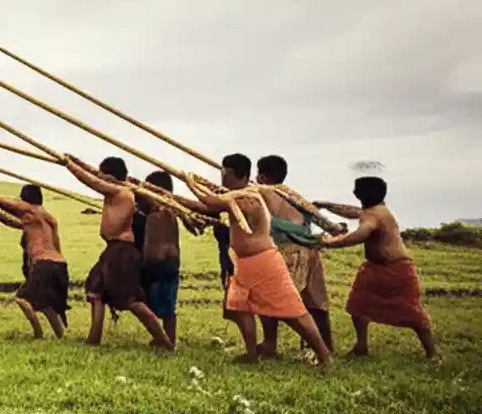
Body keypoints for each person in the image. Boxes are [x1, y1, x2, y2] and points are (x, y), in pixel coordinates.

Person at [183, 153, 331, 366]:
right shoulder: (238, 195)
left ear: (242, 176)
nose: (223, 178)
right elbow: (209, 203)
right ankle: (252, 355)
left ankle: (324, 356)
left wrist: (189, 182)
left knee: (293, 312)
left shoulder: (247, 197)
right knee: (240, 308)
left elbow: (207, 202)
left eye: (226, 174)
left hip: (264, 262)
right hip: (245, 264)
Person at [317, 176, 436, 358]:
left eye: (357, 190)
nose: (354, 192)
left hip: (397, 269)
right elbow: (352, 211)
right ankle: (361, 347)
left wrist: (329, 242)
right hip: (375, 269)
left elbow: (360, 234)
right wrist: (325, 205)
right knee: (357, 305)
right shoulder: (375, 210)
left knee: (412, 311)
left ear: (364, 193)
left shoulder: (374, 215)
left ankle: (432, 353)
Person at [64, 155, 172, 349]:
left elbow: (92, 181)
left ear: (111, 177)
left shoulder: (120, 191)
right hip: (113, 250)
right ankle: (94, 338)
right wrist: (76, 161)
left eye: (103, 174)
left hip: (123, 252)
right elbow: (93, 175)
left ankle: (164, 341)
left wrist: (69, 166)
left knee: (131, 300)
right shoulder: (117, 190)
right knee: (95, 290)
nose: (99, 177)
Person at [255, 155, 334, 357]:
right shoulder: (294, 196)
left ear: (262, 177)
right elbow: (321, 220)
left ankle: (270, 343)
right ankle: (326, 344)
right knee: (315, 301)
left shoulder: (261, 192)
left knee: (273, 298)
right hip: (310, 251)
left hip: (287, 252)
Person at [0, 184, 69, 338]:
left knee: (22, 299)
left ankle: (38, 334)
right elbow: (13, 222)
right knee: (46, 305)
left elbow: (6, 204)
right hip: (59, 264)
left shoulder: (30, 210)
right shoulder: (47, 218)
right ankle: (61, 336)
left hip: (44, 263)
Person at [134, 170, 204, 346]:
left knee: (165, 304)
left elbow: (190, 222)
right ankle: (163, 337)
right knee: (159, 302)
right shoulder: (159, 209)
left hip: (163, 262)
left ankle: (168, 340)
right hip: (159, 262)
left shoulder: (169, 208)